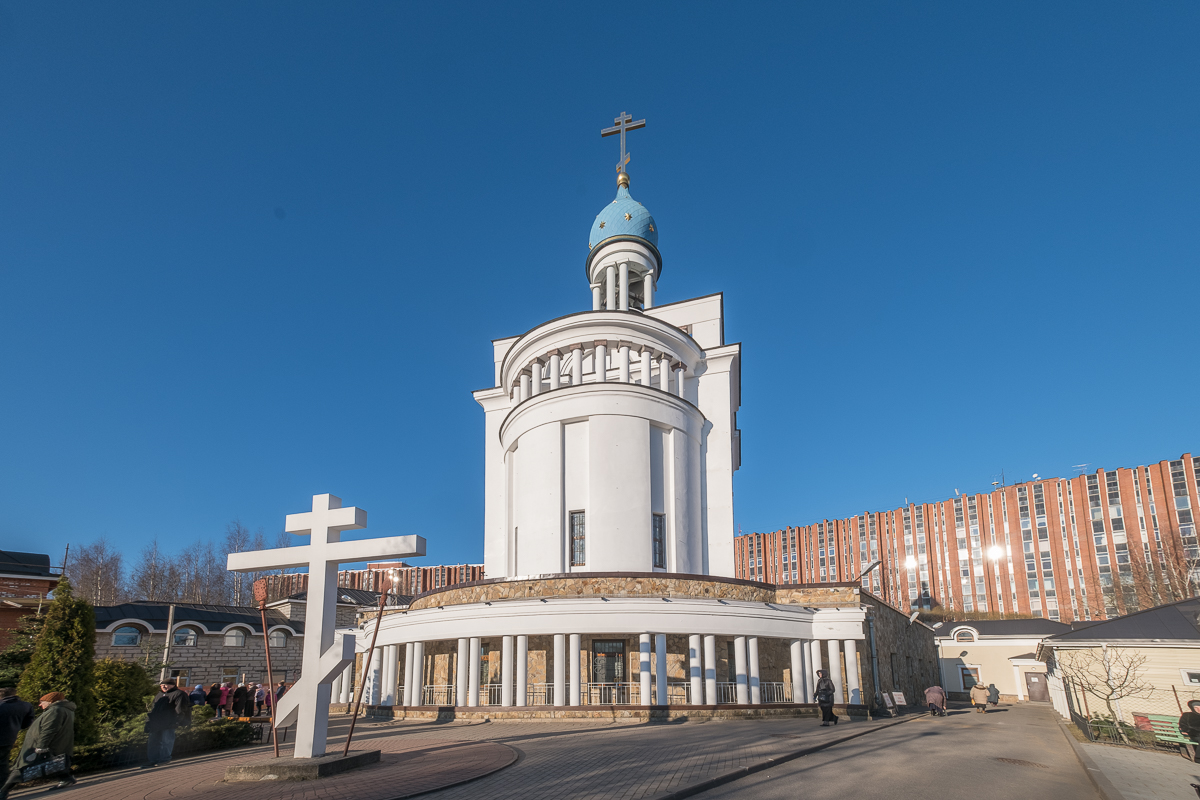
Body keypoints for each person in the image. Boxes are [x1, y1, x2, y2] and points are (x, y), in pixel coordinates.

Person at [0, 692, 76, 798]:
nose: (40, 705)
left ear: (50, 702)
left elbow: (49, 730)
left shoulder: (55, 710)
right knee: (52, 762)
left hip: (41, 745)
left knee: (21, 768)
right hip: (54, 745)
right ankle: (66, 778)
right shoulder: (63, 709)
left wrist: (41, 746)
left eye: (42, 702)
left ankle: (3, 791)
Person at [143, 678, 191, 768]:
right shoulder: (159, 694)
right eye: (162, 685)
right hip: (156, 722)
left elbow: (181, 709)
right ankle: (153, 760)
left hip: (169, 722)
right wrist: (149, 721)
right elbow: (153, 708)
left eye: (166, 684)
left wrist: (177, 721)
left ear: (173, 685)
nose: (164, 686)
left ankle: (164, 759)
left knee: (166, 741)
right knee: (153, 742)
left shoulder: (179, 694)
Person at [0, 688, 34, 768]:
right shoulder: (26, 705)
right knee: (3, 762)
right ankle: (4, 779)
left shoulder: (2, 705)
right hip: (10, 737)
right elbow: (28, 722)